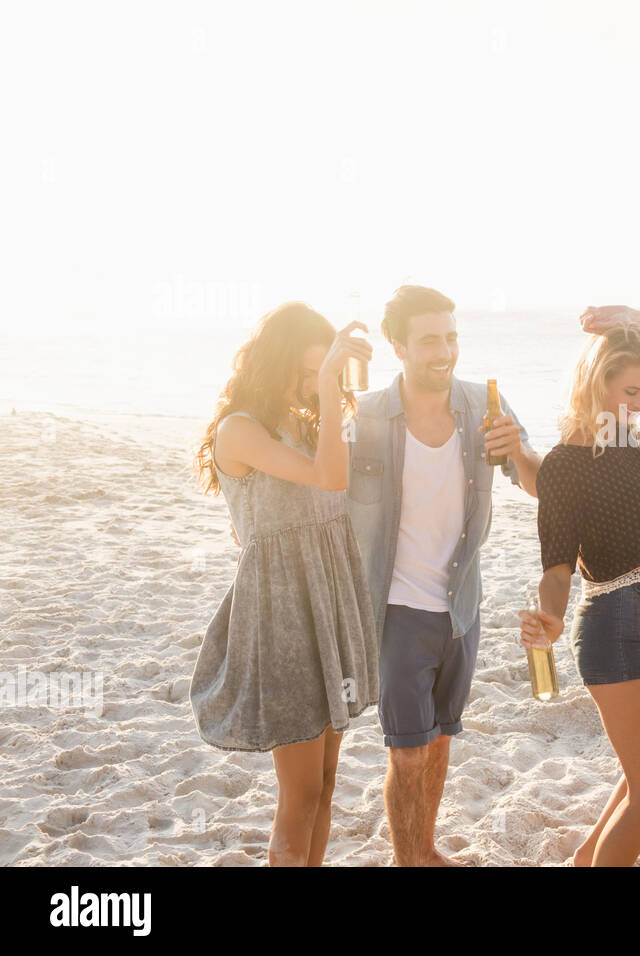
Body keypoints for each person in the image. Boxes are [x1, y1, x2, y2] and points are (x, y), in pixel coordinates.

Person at [345, 284, 541, 867]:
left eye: (451, 337)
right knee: (405, 752)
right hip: (397, 609)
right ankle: (411, 862)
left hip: (462, 605)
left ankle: (424, 847)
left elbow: (538, 485)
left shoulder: (487, 406)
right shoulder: (368, 415)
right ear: (398, 346)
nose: (445, 351)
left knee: (438, 740)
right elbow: (323, 490)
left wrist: (520, 453)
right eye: (430, 340)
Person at [191, 302, 379, 867]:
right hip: (283, 619)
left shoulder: (307, 424)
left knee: (323, 784)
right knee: (298, 795)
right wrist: (327, 387)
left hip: (331, 602)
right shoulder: (240, 430)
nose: (314, 383)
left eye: (323, 371)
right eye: (307, 371)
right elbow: (330, 476)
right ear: (276, 365)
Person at [520, 306, 640, 866]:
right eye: (629, 391)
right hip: (613, 626)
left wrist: (626, 317)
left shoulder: (625, 433)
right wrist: (550, 614)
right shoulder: (567, 464)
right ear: (595, 383)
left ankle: (586, 858)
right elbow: (557, 567)